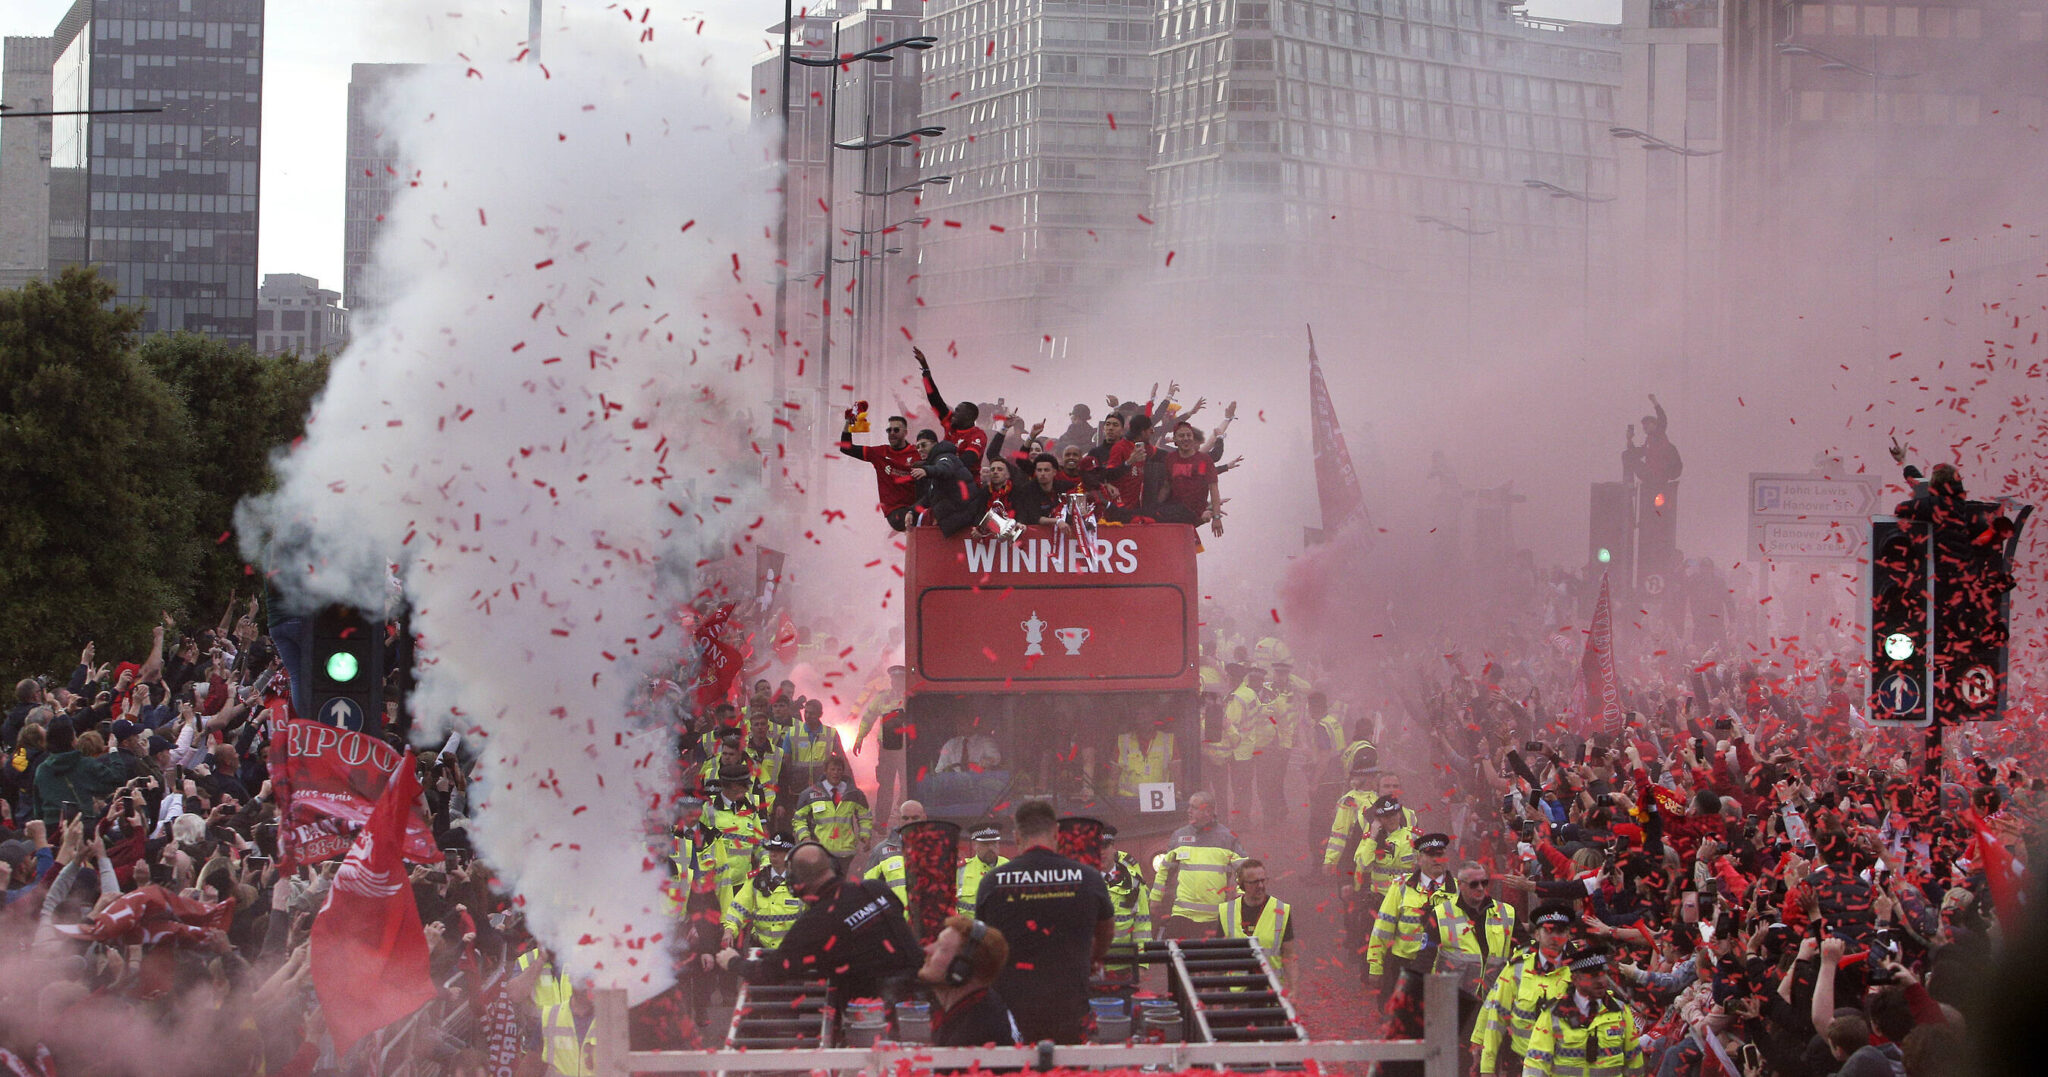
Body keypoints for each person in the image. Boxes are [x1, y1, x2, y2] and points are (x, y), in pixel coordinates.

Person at [972, 800, 1113, 1044]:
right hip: (1069, 1007)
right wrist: (1091, 959)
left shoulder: (993, 882)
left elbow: (985, 944)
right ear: (1057, 833)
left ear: (1016, 837)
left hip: (1012, 1012)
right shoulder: (1088, 878)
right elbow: (1106, 932)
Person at [719, 841, 924, 1010]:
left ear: (795, 884)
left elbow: (771, 972)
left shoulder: (814, 924)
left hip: (867, 1019)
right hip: (921, 999)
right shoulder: (875, 890)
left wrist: (733, 961)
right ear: (833, 866)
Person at [1404, 860, 1517, 1058]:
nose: (1480, 888)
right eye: (1474, 884)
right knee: (1458, 1060)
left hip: (1494, 1003)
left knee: (1491, 1062)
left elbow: (1524, 952)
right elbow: (1424, 958)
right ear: (1460, 885)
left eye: (1484, 883)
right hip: (1457, 1004)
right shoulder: (1440, 914)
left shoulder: (1506, 912)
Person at [1472, 906, 1573, 1077]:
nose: (1555, 937)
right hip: (1521, 1063)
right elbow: (1496, 1018)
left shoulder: (1579, 973)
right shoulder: (1517, 969)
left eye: (1561, 931)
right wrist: (1487, 1069)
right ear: (1537, 935)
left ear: (1568, 935)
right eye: (1549, 931)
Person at [1519, 943, 1642, 1077]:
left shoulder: (1621, 1011)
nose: (1601, 981)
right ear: (1575, 979)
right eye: (1594, 976)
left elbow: (1634, 1062)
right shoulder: (1554, 1014)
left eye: (1604, 974)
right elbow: (1536, 1063)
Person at [1366, 832, 1453, 995]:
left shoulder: (1458, 891)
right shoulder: (1401, 886)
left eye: (1440, 855)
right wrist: (1375, 966)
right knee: (1401, 1017)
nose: (1436, 859)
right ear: (1419, 859)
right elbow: (1383, 927)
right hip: (1406, 965)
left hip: (1444, 969)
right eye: (1430, 855)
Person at [1149, 792, 1244, 939]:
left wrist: (1241, 894)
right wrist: (1155, 898)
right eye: (1189, 807)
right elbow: (1164, 871)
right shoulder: (1179, 837)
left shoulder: (1227, 838)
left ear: (1208, 811)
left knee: (1210, 960)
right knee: (1174, 956)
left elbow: (1245, 869)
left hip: (1214, 918)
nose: (1188, 811)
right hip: (1182, 915)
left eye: (1194, 808)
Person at [918, 916, 1022, 1048]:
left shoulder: (977, 1030)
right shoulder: (977, 1008)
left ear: (961, 969)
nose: (927, 950)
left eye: (942, 948)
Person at [1219, 858, 1296, 991]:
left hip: (1271, 993)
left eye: (1263, 880)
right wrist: (1205, 997)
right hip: (1237, 996)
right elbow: (1218, 957)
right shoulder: (1227, 912)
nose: (1260, 885)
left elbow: (1288, 955)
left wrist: (1294, 991)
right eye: (1254, 882)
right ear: (1242, 884)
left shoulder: (1281, 911)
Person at [839, 411, 923, 531]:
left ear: (905, 433)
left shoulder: (917, 452)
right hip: (895, 511)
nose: (892, 433)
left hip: (917, 506)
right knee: (915, 519)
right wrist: (848, 422)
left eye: (896, 430)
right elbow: (845, 447)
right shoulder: (880, 453)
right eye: (889, 430)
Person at [722, 835, 805, 954]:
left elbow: (815, 914)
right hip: (760, 948)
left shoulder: (802, 882)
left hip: (792, 950)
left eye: (778, 851)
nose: (773, 855)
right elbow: (739, 907)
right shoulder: (757, 880)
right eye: (771, 851)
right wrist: (729, 929)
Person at [913, 347, 989, 469]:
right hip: (946, 481)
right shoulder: (950, 423)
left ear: (969, 417)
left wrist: (930, 464)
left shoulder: (978, 435)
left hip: (967, 484)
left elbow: (965, 462)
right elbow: (934, 399)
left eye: (958, 411)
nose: (953, 413)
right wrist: (925, 370)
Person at [793, 755, 872, 868]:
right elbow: (799, 818)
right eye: (832, 769)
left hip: (845, 852)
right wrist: (805, 838)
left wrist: (865, 834)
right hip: (821, 852)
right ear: (825, 771)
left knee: (839, 884)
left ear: (843, 771)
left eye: (839, 770)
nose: (836, 773)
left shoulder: (854, 794)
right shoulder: (810, 794)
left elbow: (865, 815)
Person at [1148, 420, 1223, 536]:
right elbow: (1166, 487)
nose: (1186, 438)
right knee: (1148, 515)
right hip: (1174, 509)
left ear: (1193, 438)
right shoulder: (1170, 458)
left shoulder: (1204, 460)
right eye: (1181, 436)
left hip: (1192, 511)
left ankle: (1205, 514)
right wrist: (1155, 507)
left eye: (1189, 435)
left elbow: (1213, 489)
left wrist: (1217, 517)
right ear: (1175, 440)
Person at [852, 666, 908, 813]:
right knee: (885, 784)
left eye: (900, 678)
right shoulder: (882, 697)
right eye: (894, 678)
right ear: (891, 680)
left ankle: (905, 812)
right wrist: (860, 738)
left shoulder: (912, 697)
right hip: (887, 748)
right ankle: (881, 820)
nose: (897, 681)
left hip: (907, 747)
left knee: (907, 781)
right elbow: (868, 718)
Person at [861, 800, 926, 905]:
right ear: (899, 819)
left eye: (915, 818)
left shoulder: (939, 848)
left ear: (924, 818)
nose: (909, 822)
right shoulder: (881, 851)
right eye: (905, 818)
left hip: (931, 919)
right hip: (897, 920)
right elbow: (867, 891)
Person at [956, 826, 1002, 919]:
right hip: (969, 929)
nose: (990, 848)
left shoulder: (1008, 867)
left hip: (1001, 930)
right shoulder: (961, 870)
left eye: (994, 843)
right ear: (974, 845)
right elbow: (950, 904)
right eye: (985, 844)